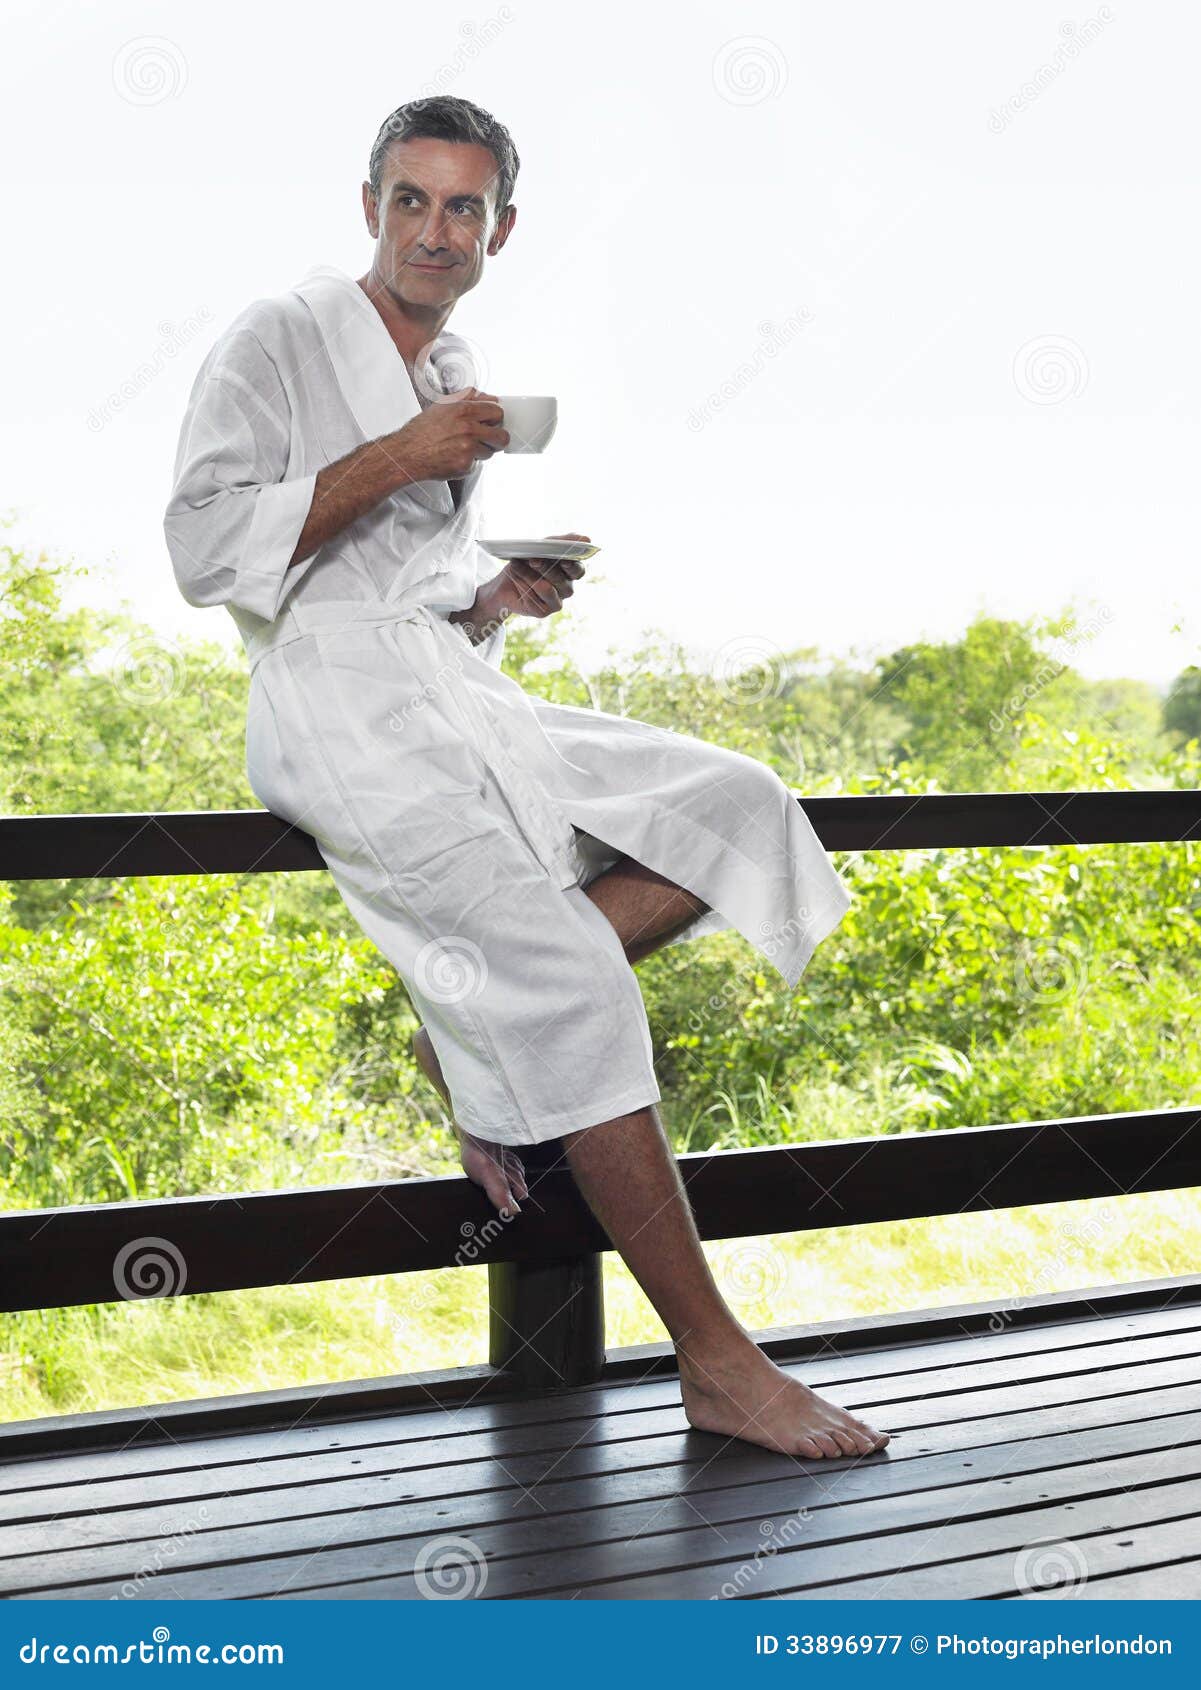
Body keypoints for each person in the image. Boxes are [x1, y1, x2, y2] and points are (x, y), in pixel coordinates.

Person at [163, 94, 889, 1461]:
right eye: (409, 201)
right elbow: (203, 550)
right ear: (368, 206)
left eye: (463, 207)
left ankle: (468, 1010)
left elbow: (408, 579)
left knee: (733, 801)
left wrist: (494, 587)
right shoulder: (275, 338)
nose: (434, 231)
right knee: (566, 976)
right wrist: (398, 458)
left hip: (451, 682)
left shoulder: (456, 370)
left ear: (502, 225)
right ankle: (718, 1361)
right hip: (338, 708)